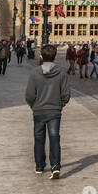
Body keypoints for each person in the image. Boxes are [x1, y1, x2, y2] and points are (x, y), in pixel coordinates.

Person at [25, 44, 71, 180]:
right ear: (55, 57)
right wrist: (60, 105)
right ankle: (55, 166)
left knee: (39, 138)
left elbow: (29, 95)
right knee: (54, 138)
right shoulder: (61, 72)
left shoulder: (34, 73)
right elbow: (66, 94)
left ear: (41, 56)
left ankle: (39, 166)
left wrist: (34, 105)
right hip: (54, 111)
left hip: (39, 110)